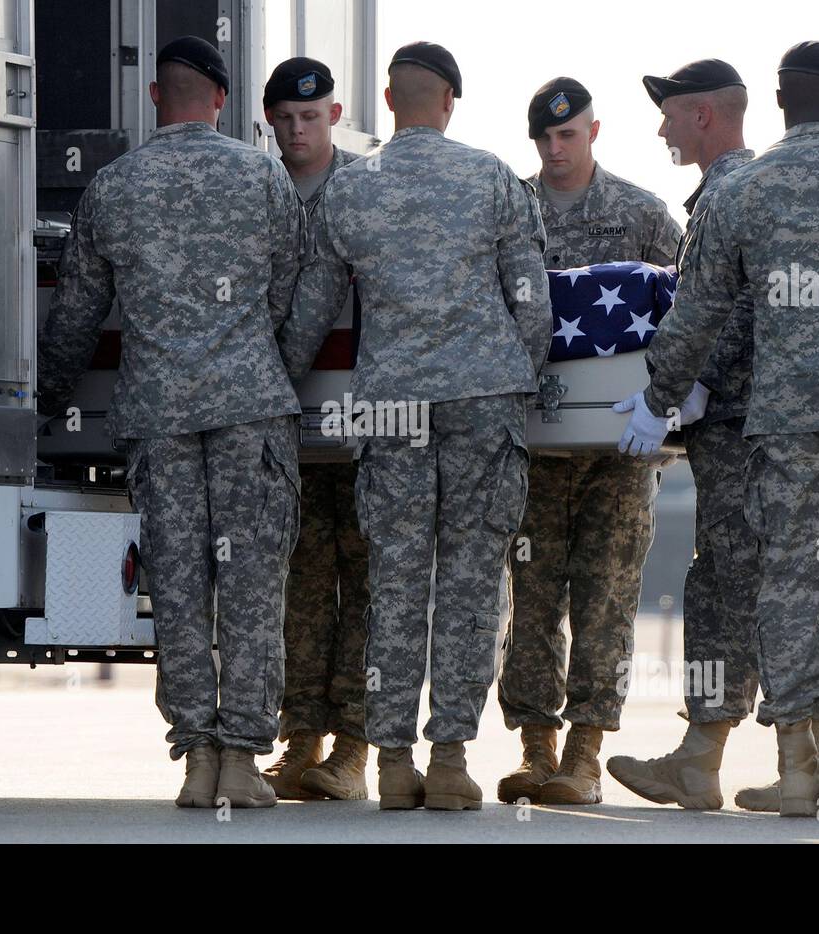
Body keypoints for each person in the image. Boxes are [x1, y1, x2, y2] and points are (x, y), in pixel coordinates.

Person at [621, 41, 819, 819]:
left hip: (784, 419)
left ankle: (798, 770)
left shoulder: (746, 188)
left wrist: (658, 396)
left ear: (779, 101)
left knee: (787, 584)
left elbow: (696, 313)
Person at [281, 41, 550, 810]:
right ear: (450, 101)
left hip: (392, 406)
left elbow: (310, 314)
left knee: (395, 582)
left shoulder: (351, 190)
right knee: (469, 581)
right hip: (482, 398)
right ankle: (454, 760)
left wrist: (279, 387)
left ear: (392, 103)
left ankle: (394, 761)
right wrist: (517, 379)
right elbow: (533, 302)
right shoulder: (492, 178)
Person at [37, 37, 304, 809]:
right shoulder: (263, 177)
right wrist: (266, 365)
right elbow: (292, 288)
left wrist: (48, 397)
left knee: (180, 586)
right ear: (221, 100)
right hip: (250, 410)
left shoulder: (114, 187)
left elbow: (78, 313)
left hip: (159, 414)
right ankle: (244, 762)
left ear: (156, 98)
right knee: (251, 586)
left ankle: (195, 759)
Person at [496, 76, 683, 806]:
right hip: (537, 445)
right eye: (543, 138)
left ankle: (584, 754)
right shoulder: (509, 208)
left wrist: (669, 405)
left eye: (567, 136)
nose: (554, 149)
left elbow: (686, 303)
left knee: (605, 598)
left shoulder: (640, 214)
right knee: (533, 597)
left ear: (593, 132)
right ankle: (536, 748)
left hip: (617, 452)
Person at [605, 60, 762, 810]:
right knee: (752, 583)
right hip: (748, 419)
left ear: (704, 115)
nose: (661, 126)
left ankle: (711, 760)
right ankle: (778, 759)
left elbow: (709, 314)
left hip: (742, 427)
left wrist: (674, 391)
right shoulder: (742, 189)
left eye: (669, 113)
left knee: (734, 587)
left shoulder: (728, 195)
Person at [258, 56, 371, 802]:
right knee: (297, 584)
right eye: (285, 119)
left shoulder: (370, 189)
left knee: (367, 581)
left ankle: (355, 748)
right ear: (269, 121)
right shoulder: (255, 191)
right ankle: (300, 738)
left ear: (335, 114)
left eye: (311, 116)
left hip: (367, 421)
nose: (299, 130)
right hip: (287, 421)